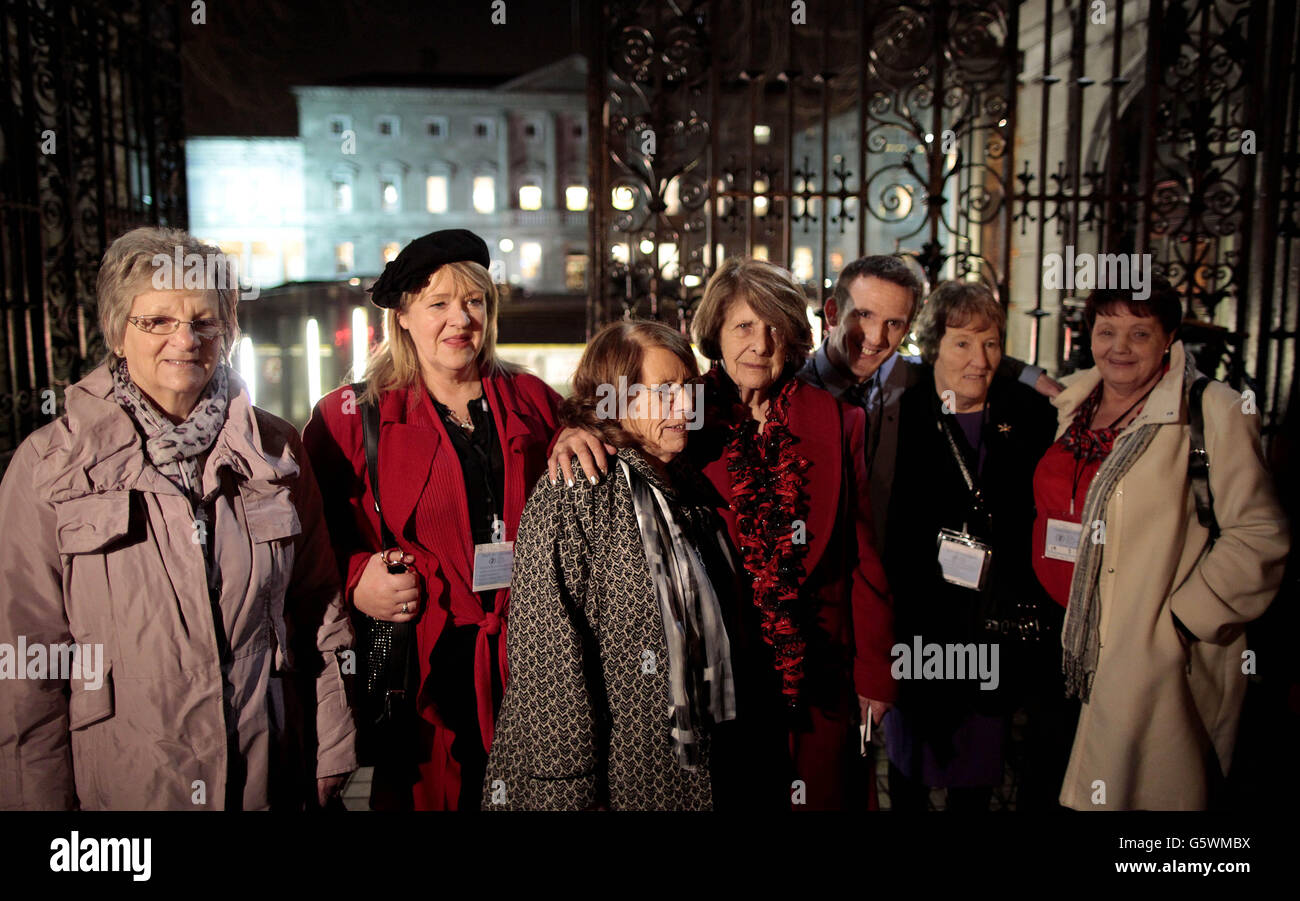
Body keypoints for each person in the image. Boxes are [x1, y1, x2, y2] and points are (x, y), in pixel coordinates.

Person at [0, 227, 356, 810]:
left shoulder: (277, 449)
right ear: (118, 333)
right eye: (157, 321)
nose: (184, 339)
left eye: (203, 321)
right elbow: (25, 664)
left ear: (228, 331)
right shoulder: (49, 465)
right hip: (126, 787)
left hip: (268, 772)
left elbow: (319, 606)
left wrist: (334, 747)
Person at [550, 258, 896, 809]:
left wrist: (877, 669)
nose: (759, 344)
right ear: (715, 331)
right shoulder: (686, 409)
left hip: (820, 668)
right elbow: (623, 417)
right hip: (724, 676)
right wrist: (577, 430)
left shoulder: (837, 419)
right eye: (743, 326)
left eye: (775, 327)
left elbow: (862, 553)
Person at [302, 229, 561, 811]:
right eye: (438, 304)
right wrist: (356, 576)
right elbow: (307, 542)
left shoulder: (534, 401)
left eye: (473, 302)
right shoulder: (350, 418)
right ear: (403, 318)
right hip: (422, 659)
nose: (459, 319)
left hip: (531, 658)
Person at [1032, 276, 1289, 810]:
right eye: (1107, 331)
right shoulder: (1075, 401)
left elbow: (1260, 533)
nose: (1119, 348)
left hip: (1147, 653)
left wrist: (1183, 621)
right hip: (1063, 646)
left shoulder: (1212, 411)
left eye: (1140, 333)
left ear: (1169, 337)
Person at [484, 321, 740, 810]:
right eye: (664, 392)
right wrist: (566, 788)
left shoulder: (687, 483)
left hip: (685, 772)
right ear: (614, 398)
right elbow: (548, 658)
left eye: (688, 390)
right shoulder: (576, 490)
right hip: (614, 782)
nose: (685, 408)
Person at [880, 281, 1057, 811]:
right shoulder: (898, 413)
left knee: (975, 779)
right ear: (934, 345)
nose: (979, 360)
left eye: (991, 343)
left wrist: (1025, 372)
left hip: (992, 626)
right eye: (962, 343)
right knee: (911, 770)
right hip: (918, 622)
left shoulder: (1028, 413)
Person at [799, 255, 1061, 545]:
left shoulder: (903, 375)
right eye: (864, 315)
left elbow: (965, 359)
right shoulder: (791, 388)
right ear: (833, 313)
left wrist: (1029, 374)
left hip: (882, 565)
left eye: (894, 323)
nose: (876, 337)